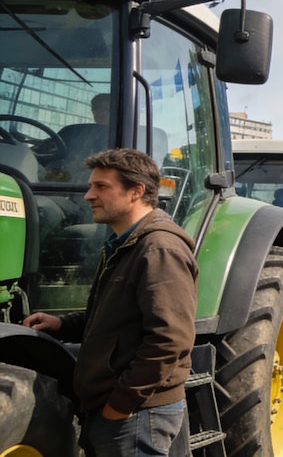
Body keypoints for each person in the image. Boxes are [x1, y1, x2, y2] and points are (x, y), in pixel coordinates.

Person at [24, 149, 197, 456]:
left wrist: (120, 404)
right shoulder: (124, 244)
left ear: (136, 192)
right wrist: (63, 324)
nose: (89, 195)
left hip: (137, 413)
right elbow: (115, 319)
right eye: (91, 186)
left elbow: (170, 339)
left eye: (101, 187)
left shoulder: (159, 248)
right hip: (121, 408)